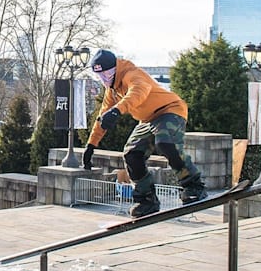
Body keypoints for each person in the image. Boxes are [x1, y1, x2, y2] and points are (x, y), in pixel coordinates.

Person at [83, 49, 206, 218]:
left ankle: (193, 186)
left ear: (115, 68)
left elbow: (138, 92)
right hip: (148, 119)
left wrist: (117, 110)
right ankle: (146, 199)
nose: (105, 80)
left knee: (165, 143)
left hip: (170, 110)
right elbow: (102, 118)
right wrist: (91, 145)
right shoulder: (111, 91)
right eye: (100, 76)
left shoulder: (131, 74)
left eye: (107, 74)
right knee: (132, 154)